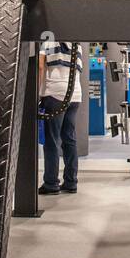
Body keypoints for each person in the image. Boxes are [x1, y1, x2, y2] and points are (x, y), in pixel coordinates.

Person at [38, 39, 82, 195]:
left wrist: (36, 93)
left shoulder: (49, 43)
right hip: (75, 96)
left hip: (55, 94)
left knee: (52, 140)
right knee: (69, 139)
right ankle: (71, 182)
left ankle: (51, 183)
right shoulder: (77, 44)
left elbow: (41, 66)